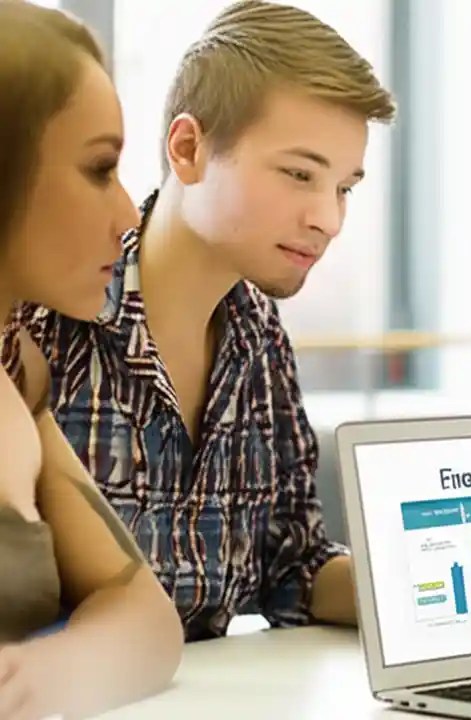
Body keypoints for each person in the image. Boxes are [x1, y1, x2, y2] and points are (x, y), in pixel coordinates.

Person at [13, 0, 396, 641]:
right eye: (299, 174)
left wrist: (436, 593)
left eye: (344, 187)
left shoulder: (260, 341)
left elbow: (293, 566)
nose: (328, 219)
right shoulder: (44, 322)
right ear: (188, 149)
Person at [0, 2, 183, 717]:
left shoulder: (18, 376)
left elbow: (146, 616)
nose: (128, 216)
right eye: (99, 167)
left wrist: (39, 680)